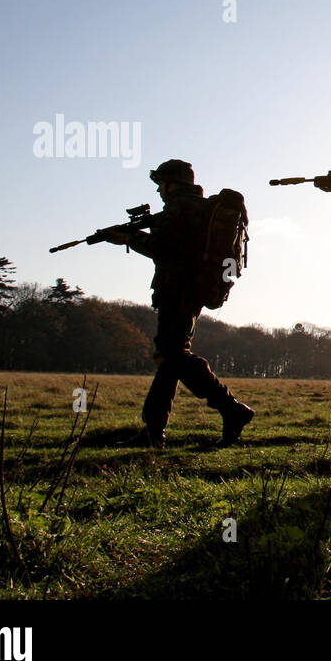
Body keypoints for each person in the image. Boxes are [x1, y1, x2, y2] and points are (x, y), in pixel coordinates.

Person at [105, 159, 254, 447]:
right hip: (191, 290)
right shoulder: (195, 208)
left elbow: (162, 249)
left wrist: (129, 237)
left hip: (179, 291)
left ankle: (232, 410)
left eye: (161, 184)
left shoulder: (179, 208)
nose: (159, 191)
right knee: (169, 358)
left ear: (173, 183)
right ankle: (153, 431)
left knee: (173, 356)